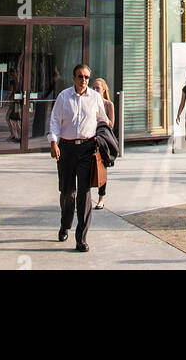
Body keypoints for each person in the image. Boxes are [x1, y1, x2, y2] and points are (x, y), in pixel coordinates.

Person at [49, 63, 110, 252]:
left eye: (86, 77)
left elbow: (103, 120)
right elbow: (55, 121)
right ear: (73, 78)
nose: (84, 80)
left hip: (87, 149)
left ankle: (81, 238)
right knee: (68, 193)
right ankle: (65, 224)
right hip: (66, 149)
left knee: (84, 194)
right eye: (80, 77)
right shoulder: (63, 97)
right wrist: (53, 142)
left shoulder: (95, 98)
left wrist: (101, 140)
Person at [92, 78, 115, 208]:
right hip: (90, 138)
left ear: (104, 89)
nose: (95, 90)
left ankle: (101, 198)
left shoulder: (108, 105)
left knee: (102, 169)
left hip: (103, 140)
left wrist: (102, 118)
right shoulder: (89, 102)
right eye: (93, 88)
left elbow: (111, 124)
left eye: (98, 88)